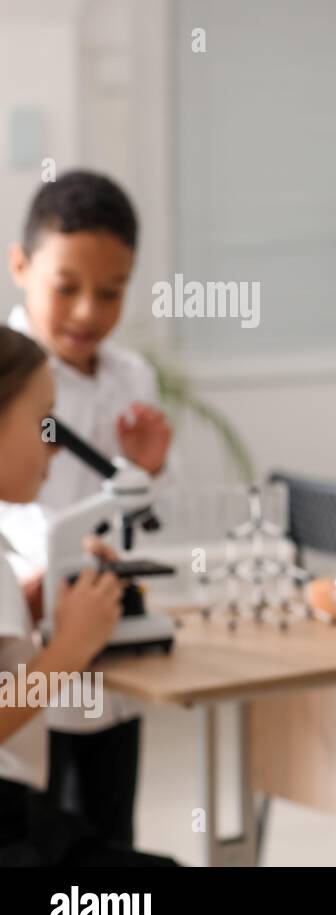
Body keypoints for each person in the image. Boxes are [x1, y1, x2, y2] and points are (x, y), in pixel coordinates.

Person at [0, 171, 173, 847]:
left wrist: (146, 470)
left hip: (81, 641)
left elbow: (149, 513)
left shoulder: (130, 378)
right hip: (42, 661)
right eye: (66, 286)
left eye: (110, 291)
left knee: (103, 830)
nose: (85, 312)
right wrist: (62, 639)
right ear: (21, 266)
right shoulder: (15, 374)